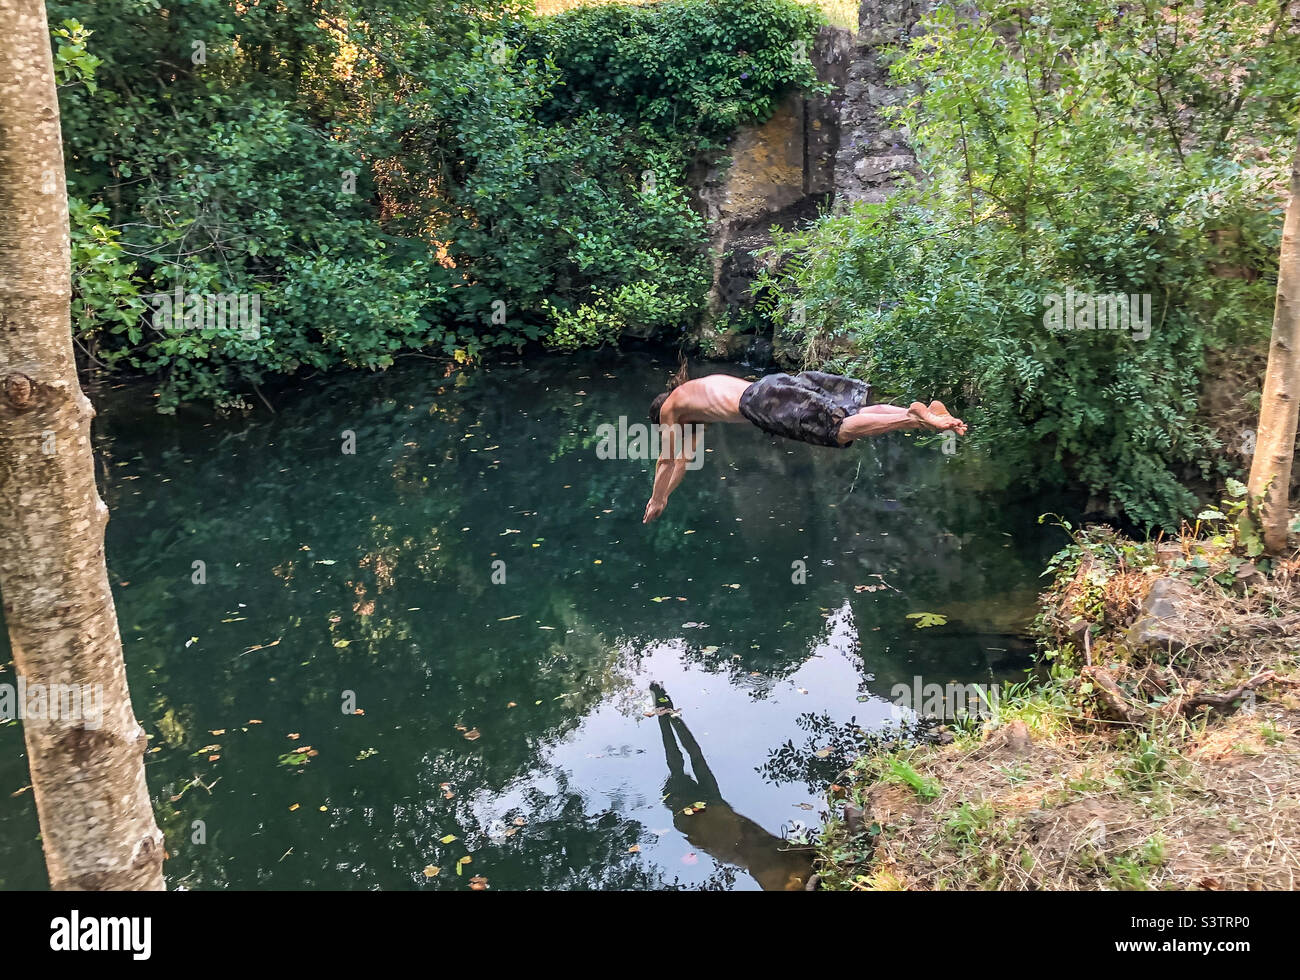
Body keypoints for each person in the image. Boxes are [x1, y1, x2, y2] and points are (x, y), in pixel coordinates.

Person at [643, 367, 967, 523]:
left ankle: (911, 415)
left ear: (662, 414)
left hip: (760, 402)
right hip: (772, 382)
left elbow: (667, 460)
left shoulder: (672, 408)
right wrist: (667, 494)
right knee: (851, 412)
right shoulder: (695, 393)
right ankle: (923, 416)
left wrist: (657, 500)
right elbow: (685, 460)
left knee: (838, 432)